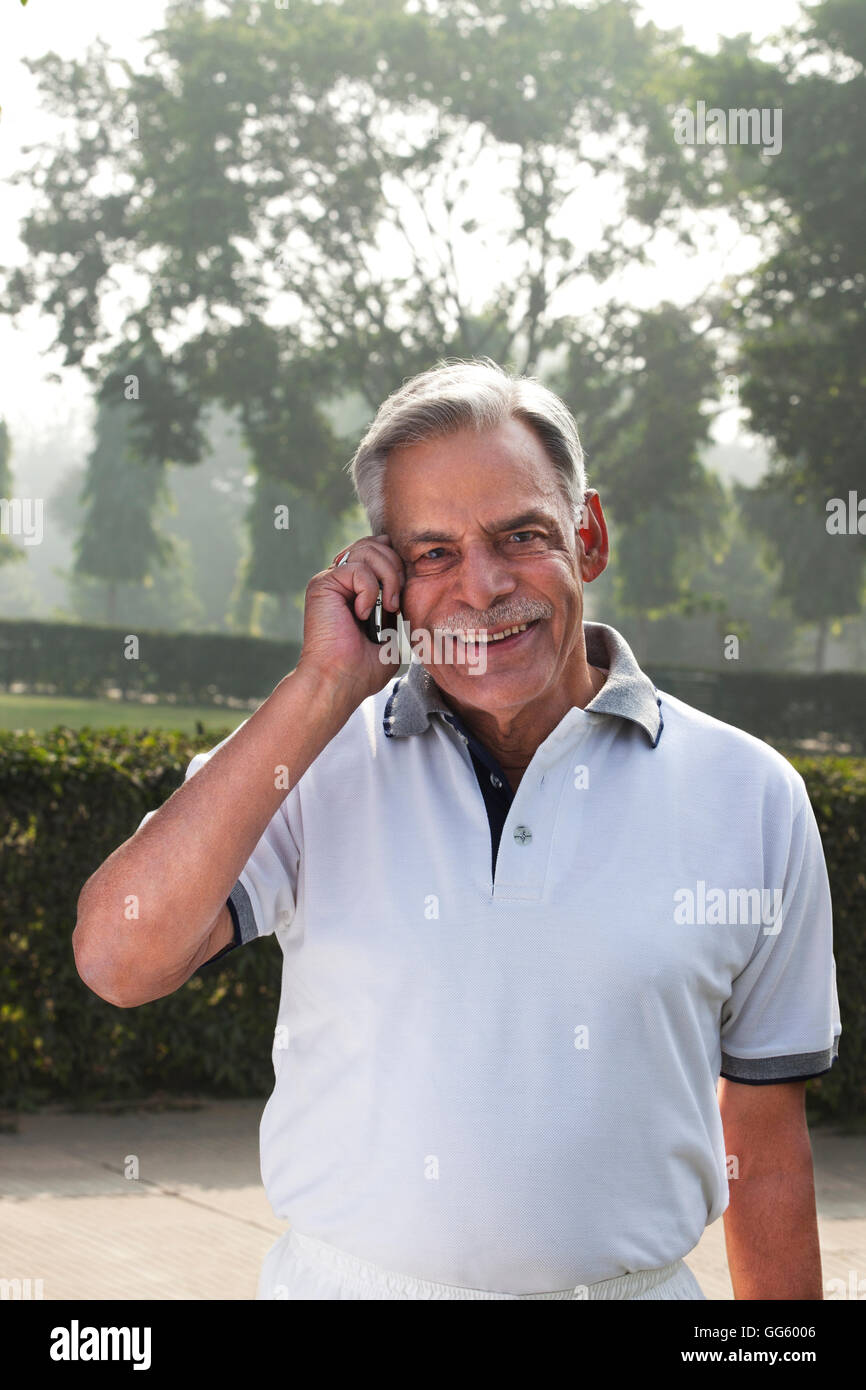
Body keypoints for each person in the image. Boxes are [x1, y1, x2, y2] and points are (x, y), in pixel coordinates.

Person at [74, 357, 841, 1301]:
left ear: (588, 535)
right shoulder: (308, 763)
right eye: (433, 552)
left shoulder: (752, 795)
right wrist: (319, 690)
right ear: (384, 577)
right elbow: (119, 956)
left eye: (521, 535)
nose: (481, 587)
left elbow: (762, 1153)